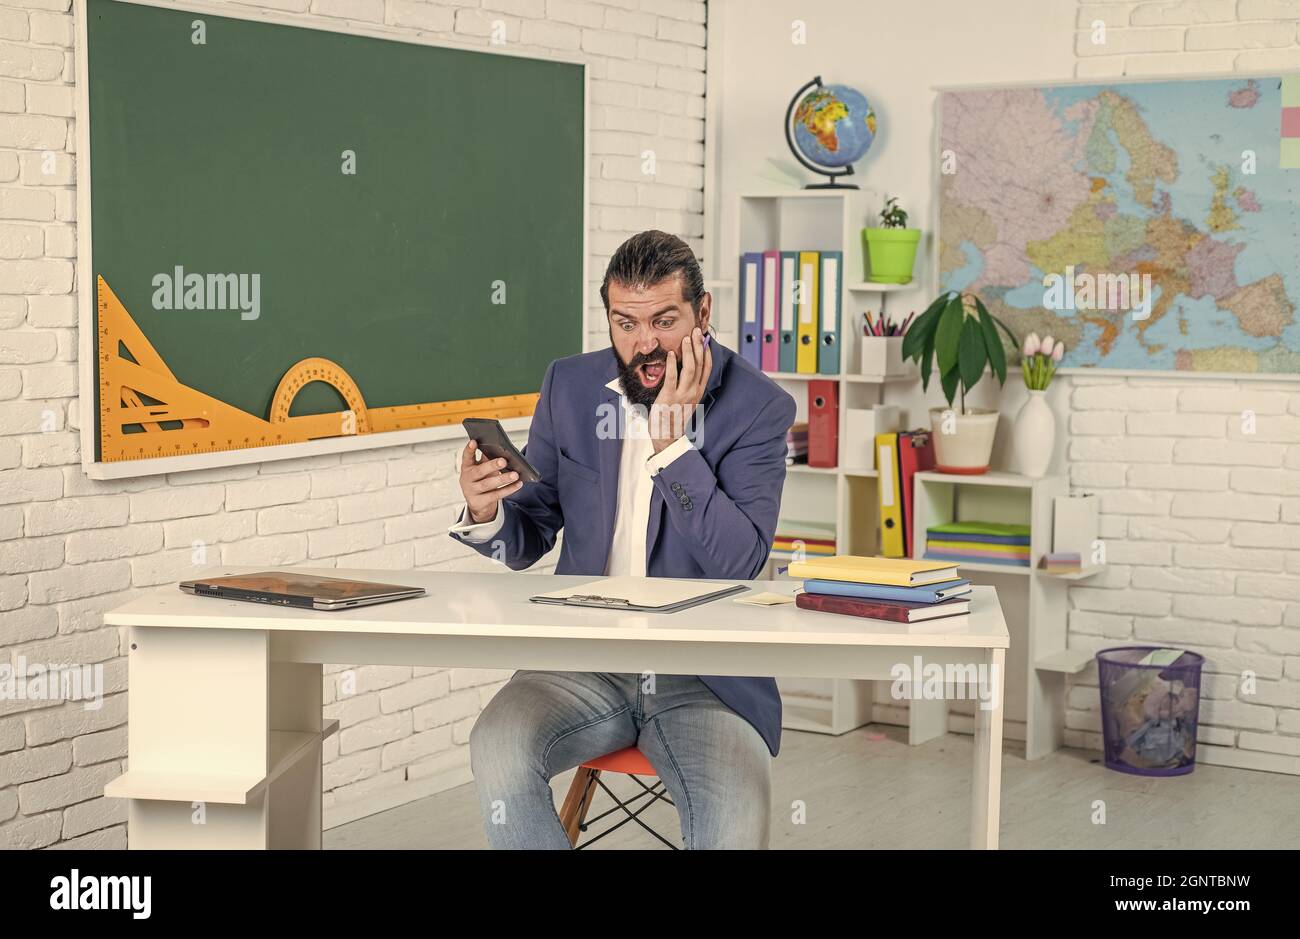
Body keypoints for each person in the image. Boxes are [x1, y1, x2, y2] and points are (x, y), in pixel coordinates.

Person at [448, 230, 797, 848]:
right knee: (497, 745)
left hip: (705, 679)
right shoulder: (570, 387)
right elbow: (531, 536)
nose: (644, 345)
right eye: (625, 324)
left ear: (703, 313)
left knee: (736, 826)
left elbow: (740, 559)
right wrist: (486, 512)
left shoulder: (757, 408)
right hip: (583, 664)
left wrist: (670, 444)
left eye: (665, 321)